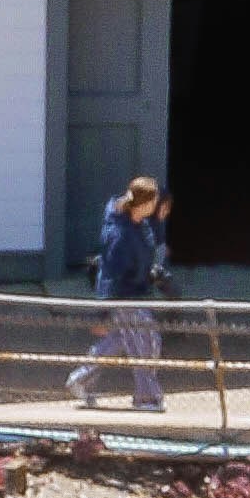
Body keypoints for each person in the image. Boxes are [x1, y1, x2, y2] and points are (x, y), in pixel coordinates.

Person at [69, 174, 171, 413]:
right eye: (154, 201)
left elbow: (142, 256)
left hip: (135, 291)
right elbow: (110, 274)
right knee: (146, 341)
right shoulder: (120, 234)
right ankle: (147, 398)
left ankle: (80, 379)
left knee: (120, 340)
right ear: (144, 204)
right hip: (123, 297)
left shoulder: (139, 224)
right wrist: (102, 313)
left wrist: (152, 273)